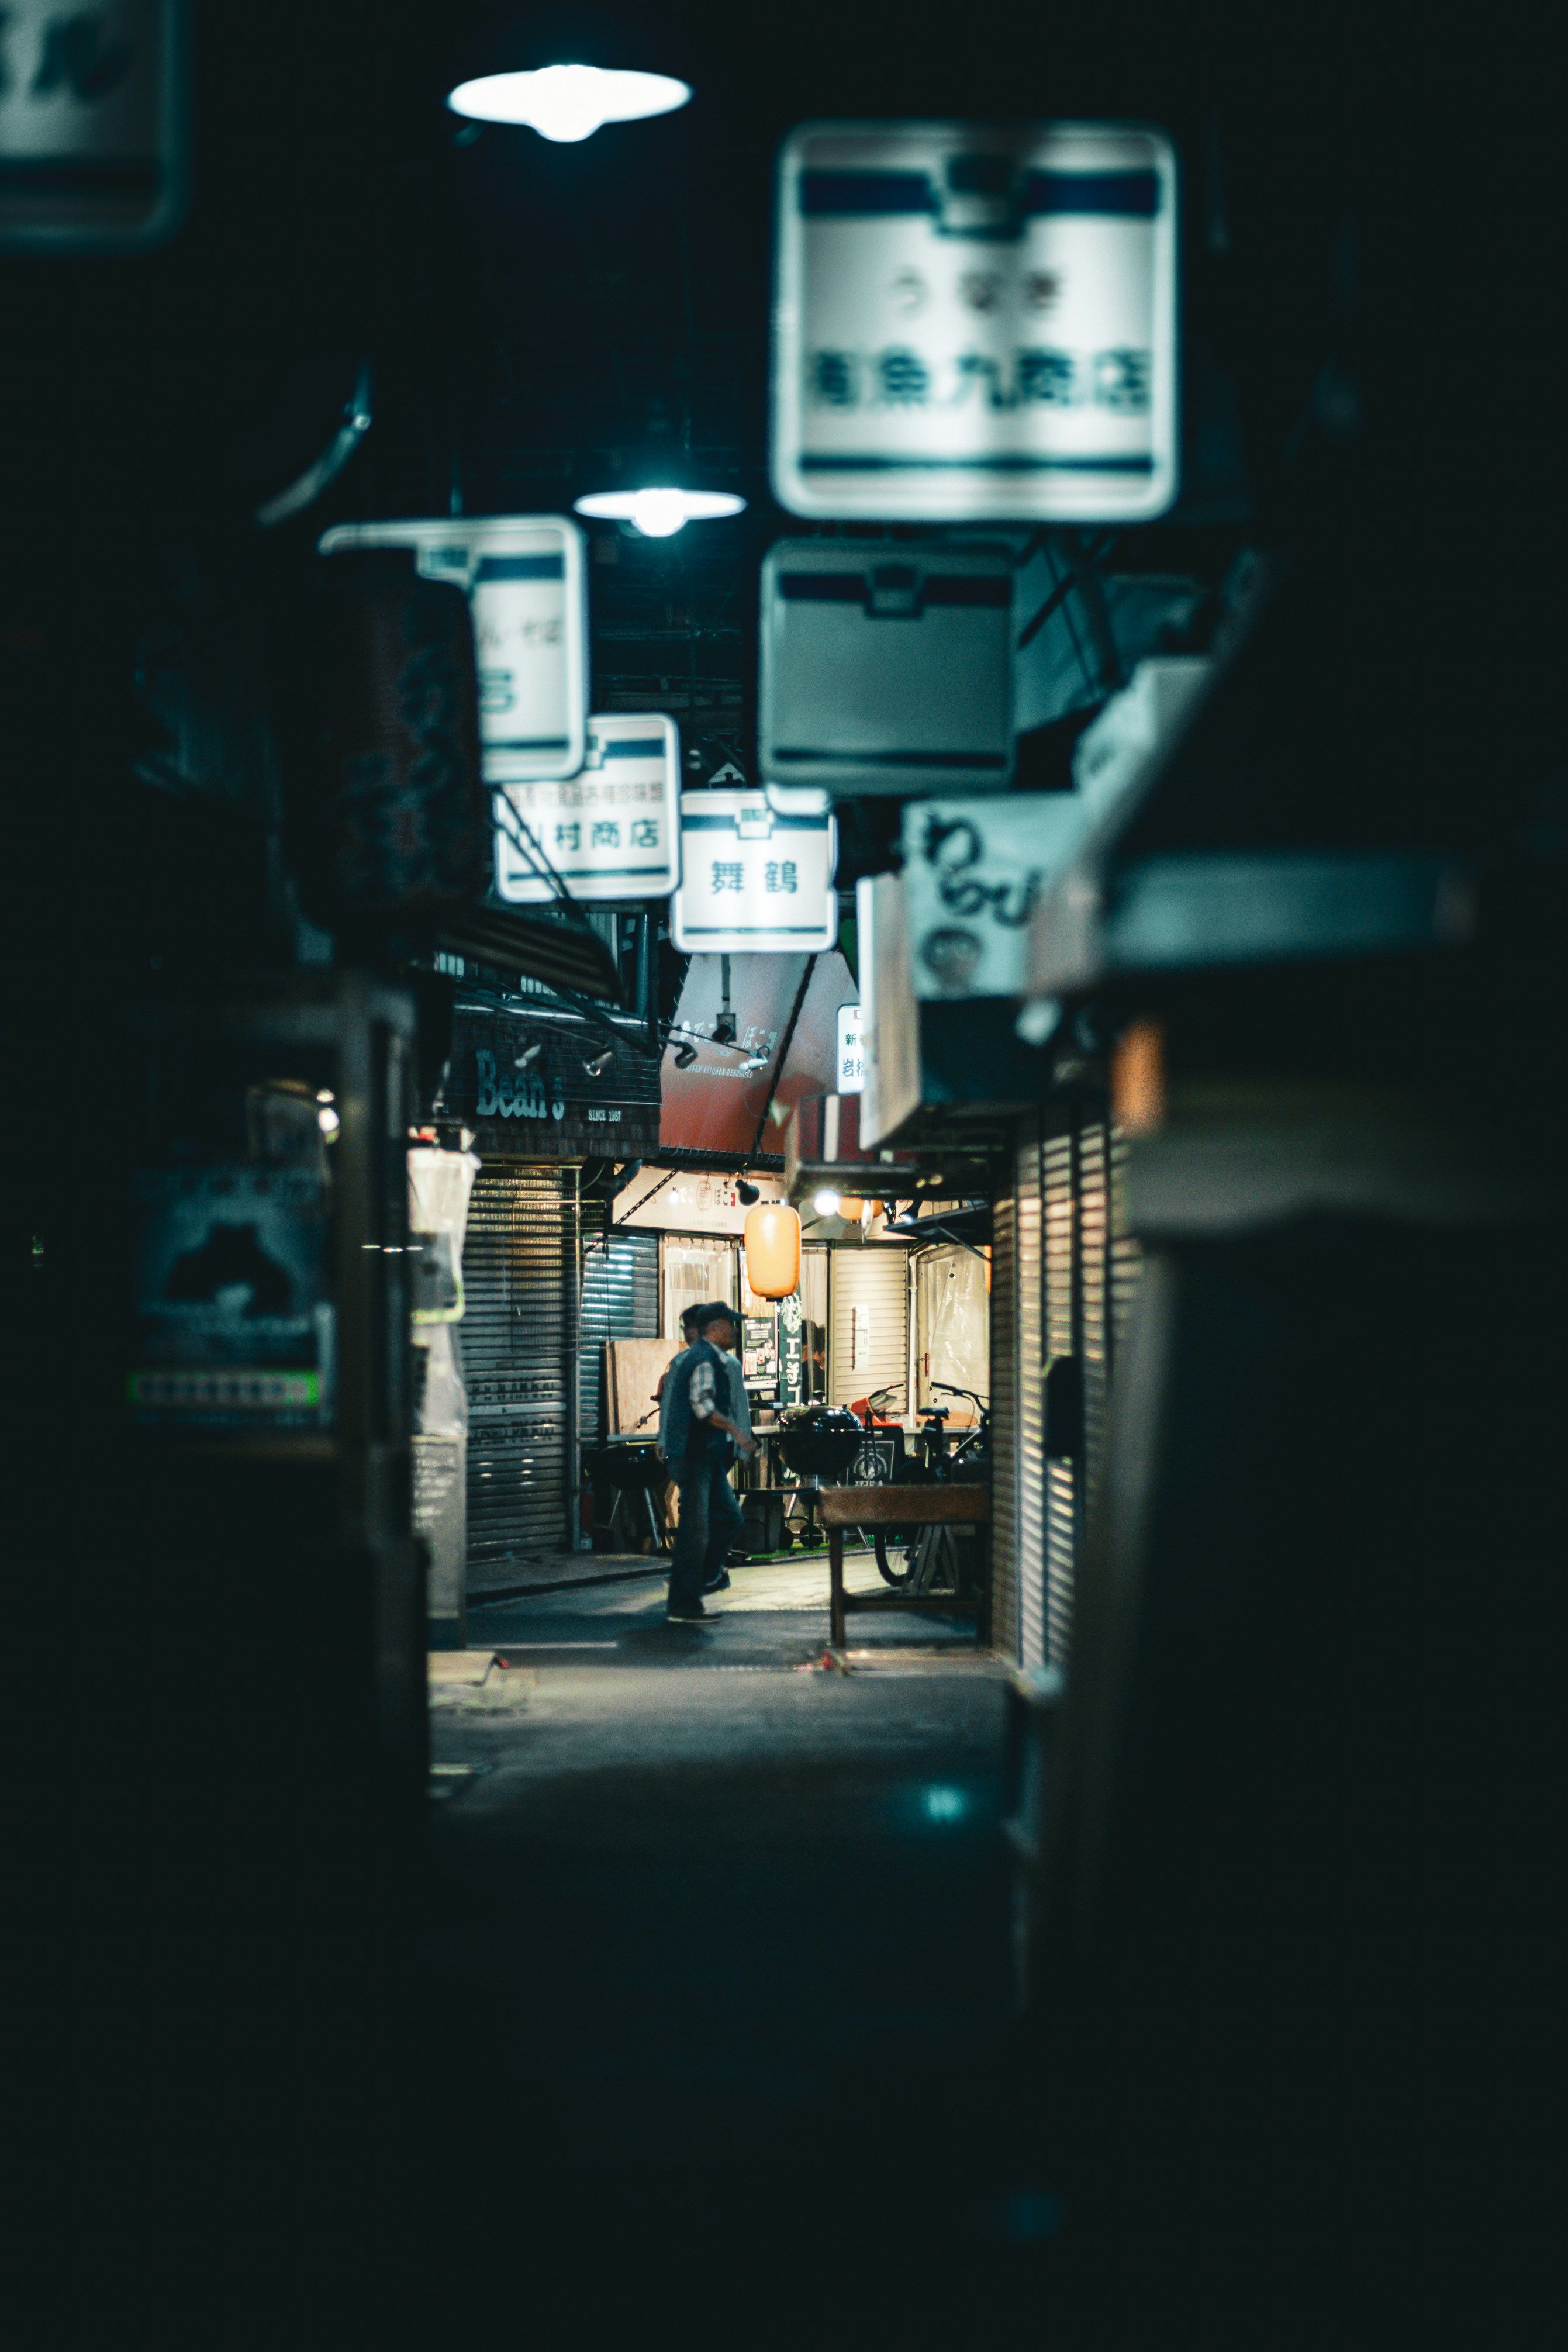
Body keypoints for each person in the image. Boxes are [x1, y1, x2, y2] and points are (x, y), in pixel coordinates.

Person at [661, 1303, 757, 1620]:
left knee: (729, 1518)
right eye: (731, 1324)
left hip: (705, 1456)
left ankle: (701, 1580)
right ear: (716, 1327)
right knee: (695, 1531)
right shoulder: (703, 1359)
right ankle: (684, 1603)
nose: (735, 1330)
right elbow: (702, 1407)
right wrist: (738, 1434)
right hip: (694, 1455)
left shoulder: (706, 1359)